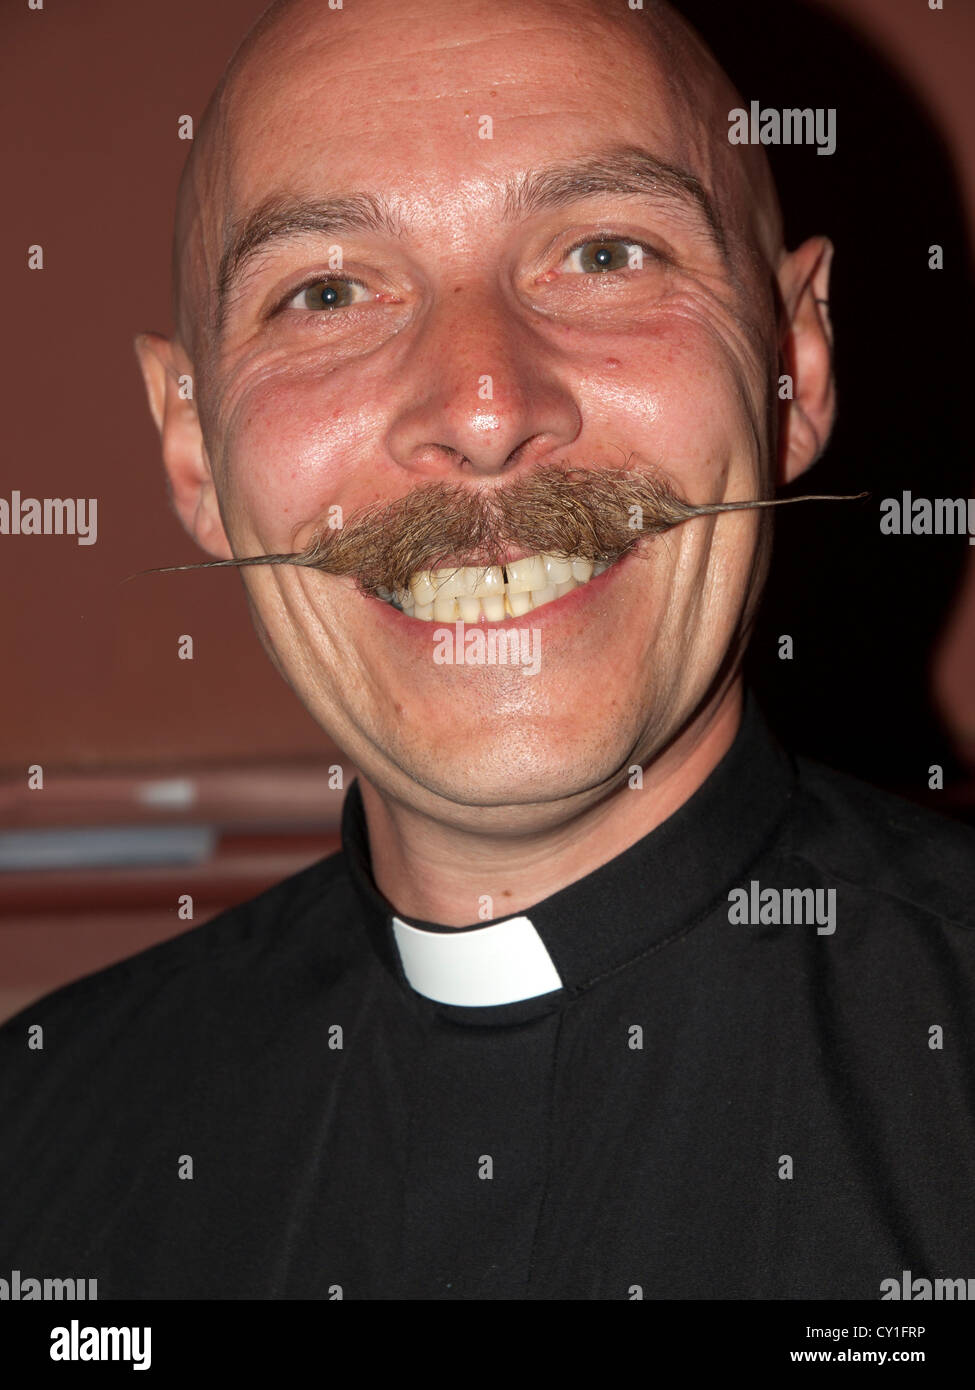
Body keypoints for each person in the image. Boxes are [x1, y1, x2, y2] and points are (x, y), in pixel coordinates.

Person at [1, 0, 973, 1300]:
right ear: (193, 451)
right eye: (329, 289)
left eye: (606, 252)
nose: (482, 407)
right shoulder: (39, 1139)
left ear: (797, 358)